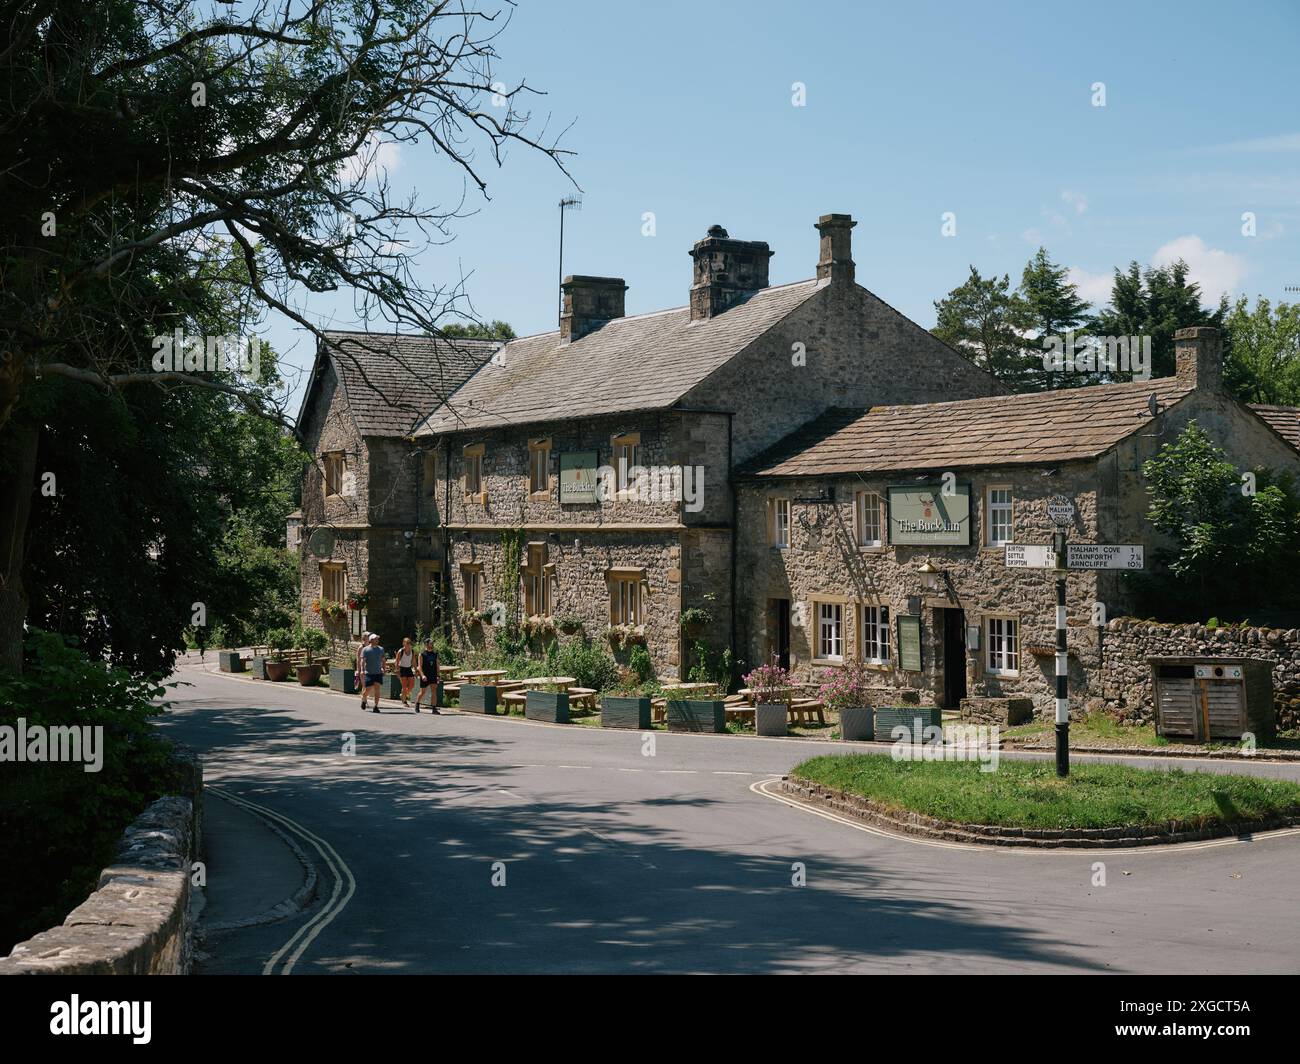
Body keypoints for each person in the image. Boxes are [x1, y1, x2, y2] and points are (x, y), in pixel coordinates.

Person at [360, 633, 387, 713]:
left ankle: (376, 706)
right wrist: (362, 670)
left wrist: (384, 669)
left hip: (378, 672)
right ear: (371, 640)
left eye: (377, 639)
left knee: (377, 689)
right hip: (369, 672)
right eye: (376, 639)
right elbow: (362, 661)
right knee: (367, 689)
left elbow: (383, 660)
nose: (377, 640)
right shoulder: (365, 649)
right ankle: (364, 700)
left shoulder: (381, 649)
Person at [413, 638, 440, 714]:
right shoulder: (422, 654)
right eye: (431, 643)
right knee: (422, 692)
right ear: (426, 644)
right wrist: (422, 675)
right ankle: (417, 704)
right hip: (425, 676)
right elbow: (419, 667)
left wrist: (438, 675)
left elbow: (437, 665)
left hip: (433, 675)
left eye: (432, 643)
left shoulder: (435, 654)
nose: (432, 644)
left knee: (434, 691)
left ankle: (434, 709)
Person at [396, 637, 416, 706]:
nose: (408, 644)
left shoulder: (412, 651)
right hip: (402, 669)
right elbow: (397, 661)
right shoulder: (400, 651)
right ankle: (404, 701)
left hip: (409, 668)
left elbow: (413, 661)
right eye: (406, 643)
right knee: (404, 686)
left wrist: (416, 670)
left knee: (412, 685)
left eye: (409, 643)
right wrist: (397, 671)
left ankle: (403, 695)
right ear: (403, 643)